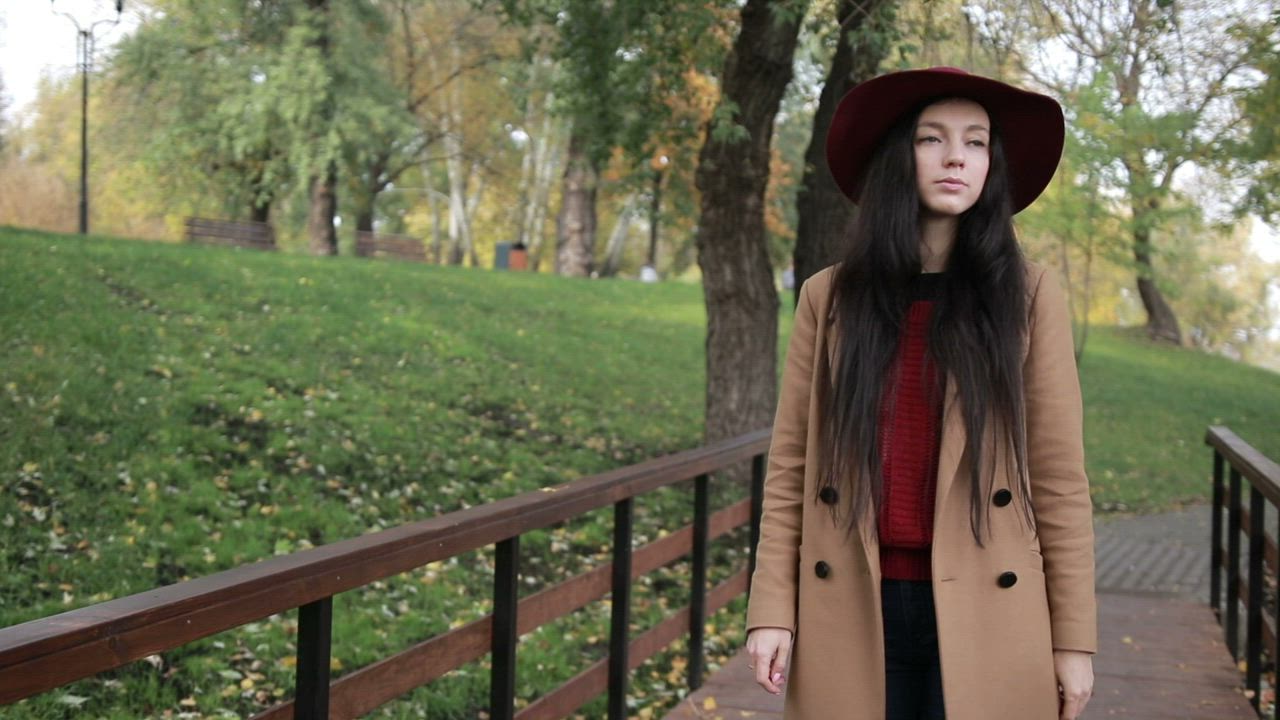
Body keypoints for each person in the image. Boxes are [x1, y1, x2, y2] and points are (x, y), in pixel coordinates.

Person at [743, 67, 1096, 720]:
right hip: (850, 598)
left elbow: (1058, 476)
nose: (957, 156)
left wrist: (1074, 638)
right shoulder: (830, 297)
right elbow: (792, 463)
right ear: (898, 157)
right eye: (932, 139)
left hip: (989, 606)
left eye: (977, 141)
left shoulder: (1028, 296)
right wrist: (770, 610)